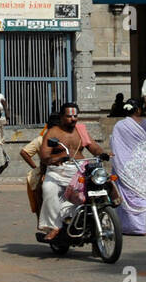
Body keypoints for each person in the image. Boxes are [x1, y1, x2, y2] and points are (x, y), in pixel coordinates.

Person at [37, 103, 108, 242]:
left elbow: (93, 147)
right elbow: (44, 156)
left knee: (101, 188)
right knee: (48, 189)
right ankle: (54, 226)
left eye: (75, 116)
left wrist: (102, 153)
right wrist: (58, 158)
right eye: (69, 116)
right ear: (62, 117)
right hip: (57, 170)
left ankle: (102, 221)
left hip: (79, 169)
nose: (73, 119)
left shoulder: (81, 130)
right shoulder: (52, 132)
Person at [109, 96, 146, 235]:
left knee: (124, 193)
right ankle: (139, 226)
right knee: (139, 193)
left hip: (123, 165)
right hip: (139, 166)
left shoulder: (119, 125)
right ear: (138, 110)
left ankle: (125, 225)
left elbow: (115, 145)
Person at [20, 114, 59, 214]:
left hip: (58, 171)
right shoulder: (42, 140)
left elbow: (24, 152)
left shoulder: (41, 139)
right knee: (39, 190)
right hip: (47, 171)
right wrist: (36, 168)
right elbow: (24, 152)